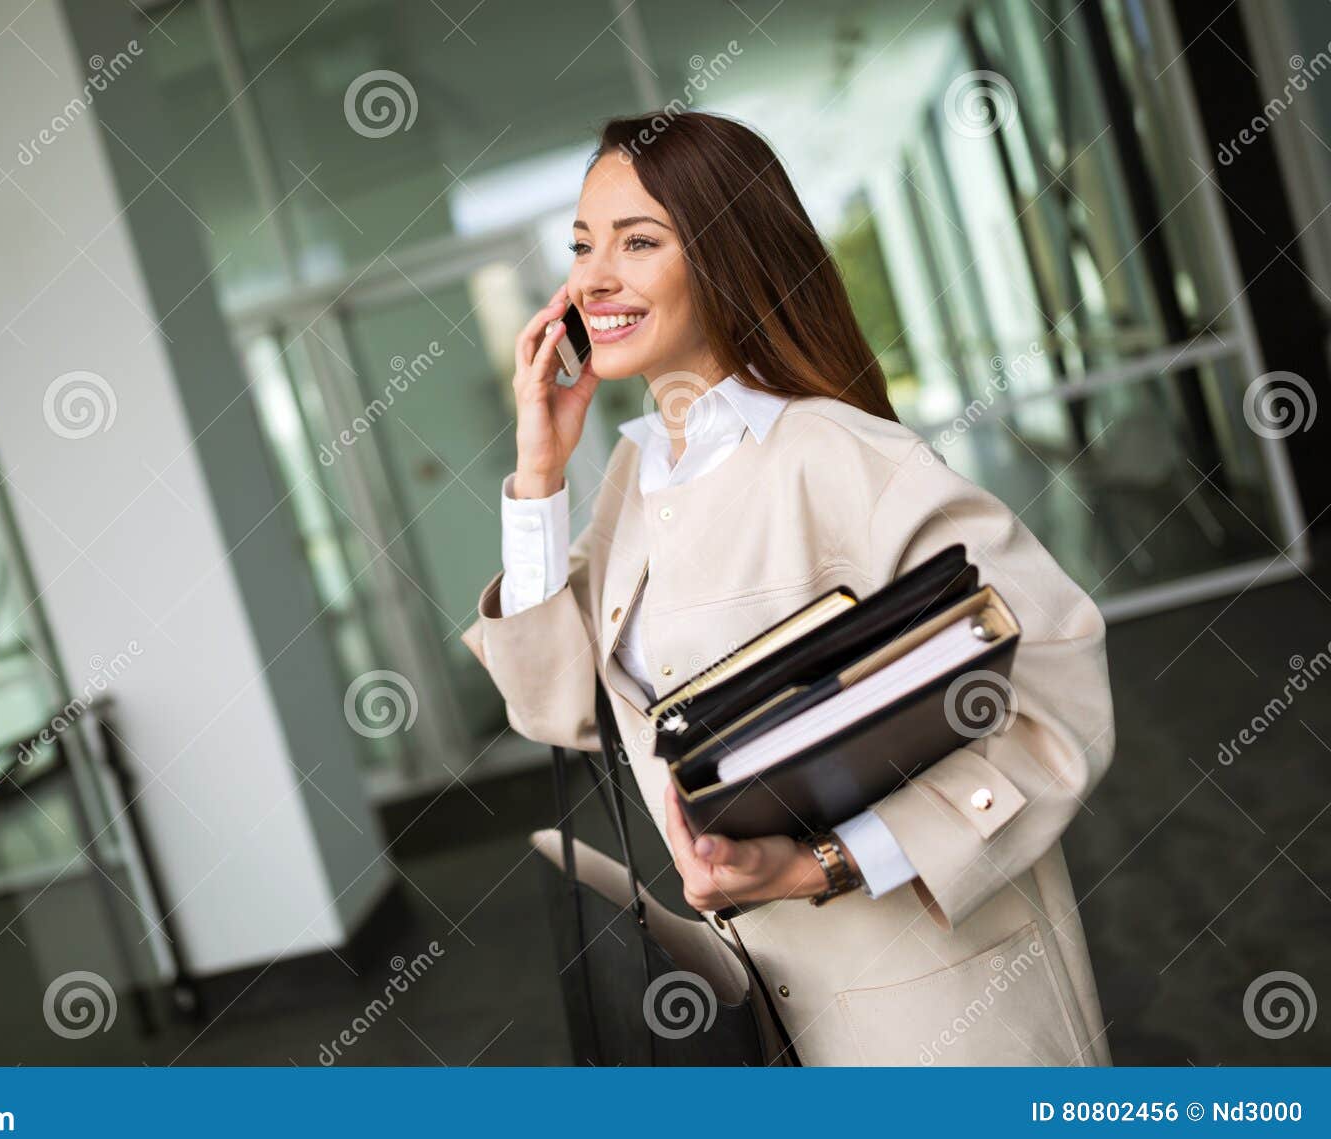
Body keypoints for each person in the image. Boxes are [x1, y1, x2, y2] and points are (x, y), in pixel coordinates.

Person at [460, 111, 1116, 1066]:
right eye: (581, 245)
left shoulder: (845, 456)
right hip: (770, 1012)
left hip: (941, 1013)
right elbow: (555, 705)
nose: (594, 276)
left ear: (728, 255)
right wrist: (538, 475)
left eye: (639, 242)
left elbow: (1057, 686)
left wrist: (820, 862)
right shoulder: (638, 478)